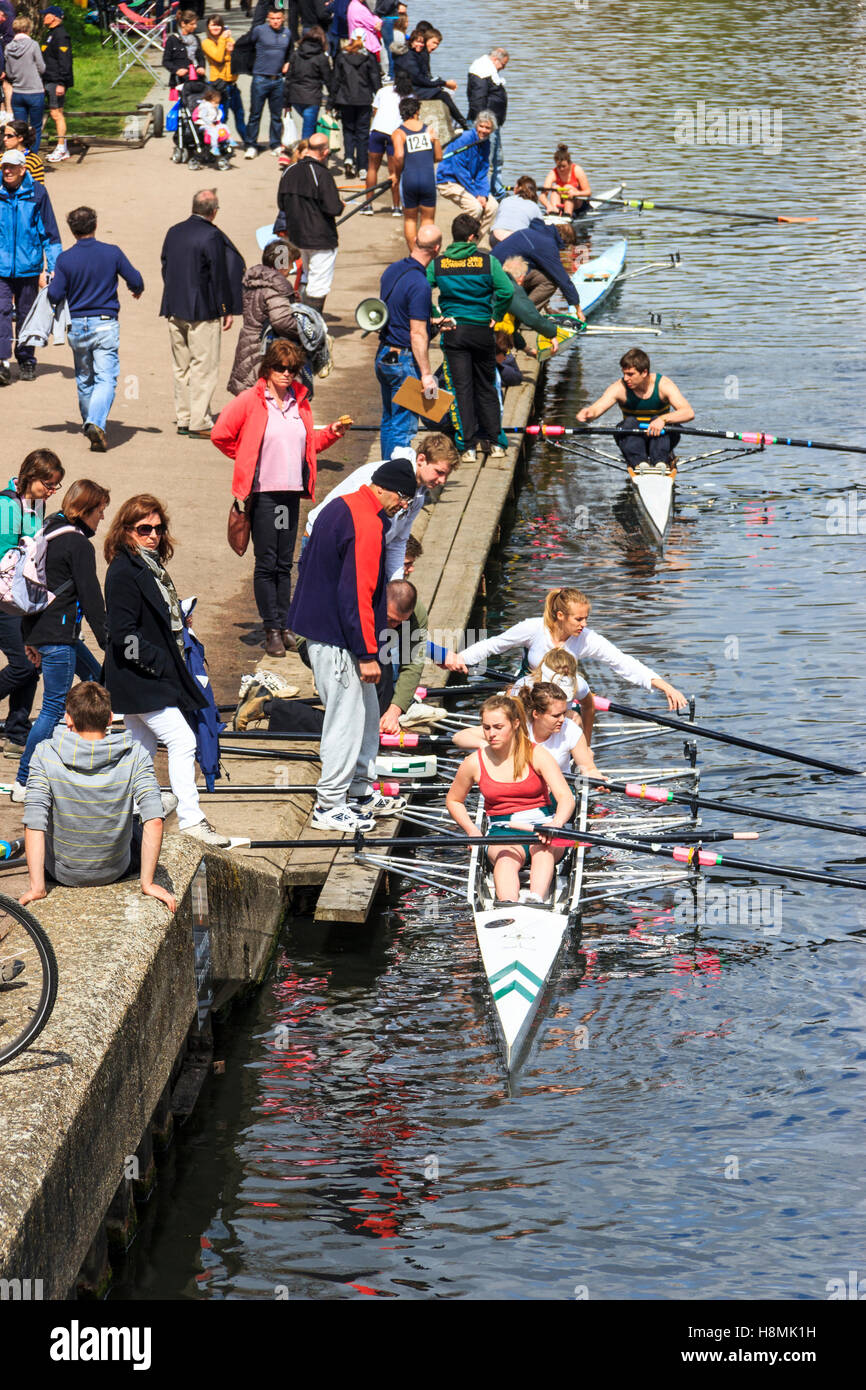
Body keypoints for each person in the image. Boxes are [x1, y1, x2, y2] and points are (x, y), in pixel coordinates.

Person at [287, 455, 418, 832]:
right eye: (402, 498)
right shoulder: (364, 523)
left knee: (366, 713)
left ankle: (359, 791)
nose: (404, 506)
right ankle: (329, 804)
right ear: (383, 488)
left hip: (332, 630)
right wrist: (366, 653)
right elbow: (356, 594)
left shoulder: (345, 507)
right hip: (335, 638)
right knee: (344, 721)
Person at [102, 494, 230, 847]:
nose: (153, 535)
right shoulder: (124, 571)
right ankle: (191, 819)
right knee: (182, 739)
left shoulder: (148, 566)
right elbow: (123, 632)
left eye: (158, 529)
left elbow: (150, 617)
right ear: (126, 531)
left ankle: (131, 812)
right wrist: (159, 662)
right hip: (139, 677)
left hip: (143, 674)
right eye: (144, 529)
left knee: (140, 747)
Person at [212, 337, 349, 656]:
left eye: (293, 369)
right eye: (280, 368)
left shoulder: (299, 402)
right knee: (266, 562)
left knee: (285, 563)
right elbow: (221, 434)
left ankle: (286, 624)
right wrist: (246, 456)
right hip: (263, 494)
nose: (287, 373)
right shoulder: (250, 400)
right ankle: (271, 627)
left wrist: (331, 434)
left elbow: (305, 442)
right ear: (268, 369)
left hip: (289, 495)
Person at [442, 585, 689, 743]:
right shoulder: (533, 628)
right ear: (560, 616)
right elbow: (494, 644)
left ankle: (570, 765)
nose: (584, 624)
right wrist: (460, 658)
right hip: (528, 694)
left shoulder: (586, 639)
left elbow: (623, 662)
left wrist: (664, 686)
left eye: (586, 619)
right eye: (578, 619)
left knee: (574, 722)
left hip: (562, 699)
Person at [20, 681, 177, 910]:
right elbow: (154, 820)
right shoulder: (135, 754)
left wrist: (37, 887)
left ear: (68, 719)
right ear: (111, 718)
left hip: (61, 872)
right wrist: (148, 883)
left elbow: (34, 823)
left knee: (47, 812)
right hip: (115, 870)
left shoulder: (45, 754)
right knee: (137, 822)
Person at [10, 478, 110, 802]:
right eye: (100, 511)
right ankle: (24, 780)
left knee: (97, 679)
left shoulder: (50, 526)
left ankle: (85, 753)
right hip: (59, 637)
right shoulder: (79, 544)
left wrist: (29, 638)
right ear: (85, 509)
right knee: (53, 708)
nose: (102, 518)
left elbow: (33, 586)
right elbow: (91, 598)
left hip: (43, 631)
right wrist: (110, 643)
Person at [446, 694, 575, 905]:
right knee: (506, 859)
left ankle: (536, 901)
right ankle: (507, 906)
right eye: (486, 728)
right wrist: (471, 830)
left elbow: (565, 797)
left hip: (543, 828)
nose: (491, 734)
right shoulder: (474, 762)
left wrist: (556, 823)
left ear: (515, 724)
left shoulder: (537, 755)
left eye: (498, 727)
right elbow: (454, 800)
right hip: (501, 831)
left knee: (543, 853)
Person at [47, 205, 144, 453]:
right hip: (105, 322)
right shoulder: (112, 253)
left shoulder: (65, 259)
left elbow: (55, 294)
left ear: (71, 230)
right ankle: (95, 422)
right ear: (96, 225)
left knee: (84, 377)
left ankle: (90, 421)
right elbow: (135, 280)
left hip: (77, 325)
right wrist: (137, 289)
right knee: (106, 378)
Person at [305, 432, 458, 579]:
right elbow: (343, 520)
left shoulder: (418, 495)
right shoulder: (381, 476)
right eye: (439, 472)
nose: (443, 481)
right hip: (324, 543)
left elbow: (398, 540)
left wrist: (395, 584)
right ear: (421, 460)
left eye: (446, 475)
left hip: (358, 553)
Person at [426, 212, 513, 461]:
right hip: (482, 330)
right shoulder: (487, 262)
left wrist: (436, 317)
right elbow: (506, 291)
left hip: (453, 332)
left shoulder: (439, 264)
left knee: (461, 389)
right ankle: (496, 442)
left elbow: (421, 290)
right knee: (486, 386)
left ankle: (468, 447)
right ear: (473, 237)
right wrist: (496, 314)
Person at [159, 188, 245, 438]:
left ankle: (184, 417)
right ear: (214, 212)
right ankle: (200, 421)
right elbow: (219, 275)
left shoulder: (174, 231)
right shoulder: (211, 235)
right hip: (203, 309)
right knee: (204, 367)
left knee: (181, 367)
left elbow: (165, 265)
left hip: (174, 307)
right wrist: (226, 309)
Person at [0, 449, 64, 752]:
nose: (51, 492)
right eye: (47, 485)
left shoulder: (36, 504)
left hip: (25, 599)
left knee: (32, 663)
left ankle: (16, 731)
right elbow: (4, 556)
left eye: (55, 487)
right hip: (5, 599)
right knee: (22, 665)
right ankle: (16, 729)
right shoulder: (8, 506)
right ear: (30, 476)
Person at [375, 221, 443, 455]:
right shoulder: (421, 285)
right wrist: (426, 375)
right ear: (437, 249)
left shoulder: (392, 270)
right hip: (403, 360)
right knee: (403, 428)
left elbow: (396, 311)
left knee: (389, 421)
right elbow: (416, 333)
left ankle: (383, 473)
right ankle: (395, 484)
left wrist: (433, 323)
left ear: (415, 242)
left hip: (384, 354)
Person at [576, 347, 695, 473]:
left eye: (630, 374)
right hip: (635, 438)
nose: (626, 378)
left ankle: (660, 463)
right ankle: (640, 464)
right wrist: (588, 414)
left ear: (644, 373)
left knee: (659, 420)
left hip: (662, 437)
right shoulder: (619, 388)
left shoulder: (663, 385)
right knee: (629, 423)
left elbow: (688, 412)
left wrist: (662, 419)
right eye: (624, 374)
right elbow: (597, 409)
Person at [453, 680, 602, 779]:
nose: (563, 719)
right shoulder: (518, 726)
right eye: (556, 715)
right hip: (518, 788)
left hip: (558, 789)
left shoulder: (570, 730)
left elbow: (588, 768)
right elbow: (459, 737)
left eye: (564, 713)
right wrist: (484, 745)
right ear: (536, 714)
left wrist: (597, 779)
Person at [0, 148, 62, 386]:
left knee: (27, 315)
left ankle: (26, 359)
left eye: (12, 167)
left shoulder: (37, 193)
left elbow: (50, 233)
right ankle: (2, 361)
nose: (7, 171)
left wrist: (53, 268)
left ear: (22, 169)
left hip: (28, 267)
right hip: (1, 267)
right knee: (1, 311)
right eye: (4, 167)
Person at [276, 132, 343, 312]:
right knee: (318, 285)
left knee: (306, 276)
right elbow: (333, 208)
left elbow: (281, 203)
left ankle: (299, 320)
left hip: (296, 237)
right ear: (325, 151)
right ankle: (309, 328)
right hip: (320, 239)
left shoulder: (289, 171)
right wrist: (340, 204)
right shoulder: (321, 173)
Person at [227, 238, 301, 395]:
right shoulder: (276, 287)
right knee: (267, 398)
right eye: (290, 263)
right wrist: (305, 329)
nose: (291, 268)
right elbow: (281, 321)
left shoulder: (256, 281)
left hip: (248, 342)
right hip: (265, 348)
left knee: (251, 395)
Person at [491, 220, 584, 316]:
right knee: (551, 281)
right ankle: (525, 315)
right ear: (563, 240)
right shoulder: (548, 244)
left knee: (542, 274)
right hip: (500, 277)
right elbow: (562, 279)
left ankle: (524, 311)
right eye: (565, 247)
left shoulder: (531, 232)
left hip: (491, 269)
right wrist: (578, 309)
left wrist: (547, 308)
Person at [434, 111, 499, 246]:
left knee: (493, 206)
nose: (484, 130)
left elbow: (482, 171)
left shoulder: (486, 143)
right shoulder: (465, 138)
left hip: (467, 183)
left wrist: (483, 194)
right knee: (475, 208)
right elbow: (459, 170)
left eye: (488, 128)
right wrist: (476, 195)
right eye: (481, 126)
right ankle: (458, 244)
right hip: (449, 180)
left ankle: (472, 244)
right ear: (476, 126)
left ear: (492, 130)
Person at [392, 96, 441, 252]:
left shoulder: (399, 133)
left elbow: (399, 156)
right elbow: (438, 157)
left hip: (409, 180)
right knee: (428, 219)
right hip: (428, 180)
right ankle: (427, 254)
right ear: (417, 111)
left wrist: (395, 174)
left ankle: (415, 255)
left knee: (411, 219)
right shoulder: (429, 130)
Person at [377, 577, 427, 734]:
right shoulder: (369, 601)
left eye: (400, 622)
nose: (394, 626)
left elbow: (412, 664)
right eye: (390, 619)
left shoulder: (417, 614)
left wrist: (394, 711)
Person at [329, 29, 380, 179]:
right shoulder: (369, 57)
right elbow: (375, 80)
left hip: (345, 99)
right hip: (364, 99)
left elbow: (336, 80)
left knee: (348, 130)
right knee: (363, 133)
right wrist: (381, 98)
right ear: (364, 40)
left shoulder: (342, 56)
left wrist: (331, 102)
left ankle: (349, 158)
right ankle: (363, 167)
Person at [244, 6, 292, 158]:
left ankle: (275, 144)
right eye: (272, 19)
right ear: (268, 18)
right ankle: (251, 144)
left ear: (283, 18)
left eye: (278, 19)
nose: (275, 22)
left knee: (276, 115)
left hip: (277, 80)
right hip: (260, 78)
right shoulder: (259, 30)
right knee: (255, 114)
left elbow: (290, 52)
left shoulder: (287, 33)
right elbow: (246, 46)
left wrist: (288, 62)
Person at [394, 27, 465, 128]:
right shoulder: (410, 56)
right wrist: (444, 83)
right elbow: (419, 78)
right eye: (434, 42)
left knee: (444, 93)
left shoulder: (418, 54)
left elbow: (424, 76)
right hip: (409, 88)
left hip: (415, 85)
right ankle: (462, 123)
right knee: (444, 95)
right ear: (411, 42)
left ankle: (457, 123)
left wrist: (439, 83)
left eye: (422, 43)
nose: (420, 45)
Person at [361, 70, 410, 217]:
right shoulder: (409, 95)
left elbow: (375, 111)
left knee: (372, 168)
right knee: (394, 172)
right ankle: (396, 207)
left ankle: (368, 205)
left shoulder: (382, 91)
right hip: (395, 134)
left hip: (377, 130)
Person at [201, 13, 249, 147]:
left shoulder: (228, 39)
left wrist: (230, 44)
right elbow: (217, 57)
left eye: (218, 25)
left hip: (232, 84)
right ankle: (220, 143)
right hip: (219, 86)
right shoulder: (207, 43)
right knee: (222, 117)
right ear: (208, 27)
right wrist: (223, 41)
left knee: (240, 115)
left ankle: (249, 142)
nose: (216, 28)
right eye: (213, 25)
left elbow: (236, 55)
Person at [466, 46, 508, 199]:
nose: (503, 69)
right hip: (487, 125)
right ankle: (484, 192)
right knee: (486, 159)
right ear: (496, 60)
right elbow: (478, 99)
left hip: (493, 123)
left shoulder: (489, 72)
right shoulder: (481, 70)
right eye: (503, 65)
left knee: (497, 158)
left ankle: (496, 190)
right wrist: (483, 125)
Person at [5, 17, 45, 152]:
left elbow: (9, 73)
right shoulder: (33, 45)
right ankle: (32, 158)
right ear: (28, 29)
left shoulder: (8, 47)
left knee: (19, 129)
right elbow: (42, 67)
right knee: (35, 128)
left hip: (17, 92)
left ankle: (19, 159)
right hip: (34, 91)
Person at [39, 6, 73, 164]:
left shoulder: (61, 35)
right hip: (48, 80)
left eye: (46, 15)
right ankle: (63, 147)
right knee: (55, 113)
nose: (43, 17)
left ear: (54, 17)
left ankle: (60, 147)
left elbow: (65, 62)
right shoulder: (50, 34)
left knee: (56, 114)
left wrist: (61, 83)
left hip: (56, 81)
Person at [284, 24, 330, 140]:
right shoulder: (321, 57)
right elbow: (328, 79)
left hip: (295, 96)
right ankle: (305, 154)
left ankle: (310, 150)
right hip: (312, 96)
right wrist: (332, 101)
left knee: (310, 126)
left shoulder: (296, 54)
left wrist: (286, 102)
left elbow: (289, 78)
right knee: (308, 131)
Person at [540, 143, 591, 218]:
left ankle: (568, 215)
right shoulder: (553, 173)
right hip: (560, 203)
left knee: (568, 187)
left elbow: (588, 192)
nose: (561, 169)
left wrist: (575, 193)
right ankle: (554, 212)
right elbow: (542, 196)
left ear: (569, 163)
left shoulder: (577, 170)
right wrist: (548, 206)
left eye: (564, 166)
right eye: (558, 166)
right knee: (555, 188)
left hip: (578, 205)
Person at [490, 175, 542, 245]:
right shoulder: (534, 206)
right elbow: (541, 229)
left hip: (495, 237)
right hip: (516, 241)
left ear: (516, 189)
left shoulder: (505, 200)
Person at [162, 10, 205, 89]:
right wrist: (177, 70)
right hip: (180, 80)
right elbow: (166, 61)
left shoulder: (196, 39)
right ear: (183, 24)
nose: (195, 26)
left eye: (195, 24)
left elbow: (201, 58)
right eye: (192, 24)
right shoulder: (172, 40)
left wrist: (201, 67)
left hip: (196, 78)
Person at [1, 119, 45, 184]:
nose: (5, 139)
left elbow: (39, 189)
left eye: (9, 136)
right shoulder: (1, 158)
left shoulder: (34, 161)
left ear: (20, 138)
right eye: (4, 135)